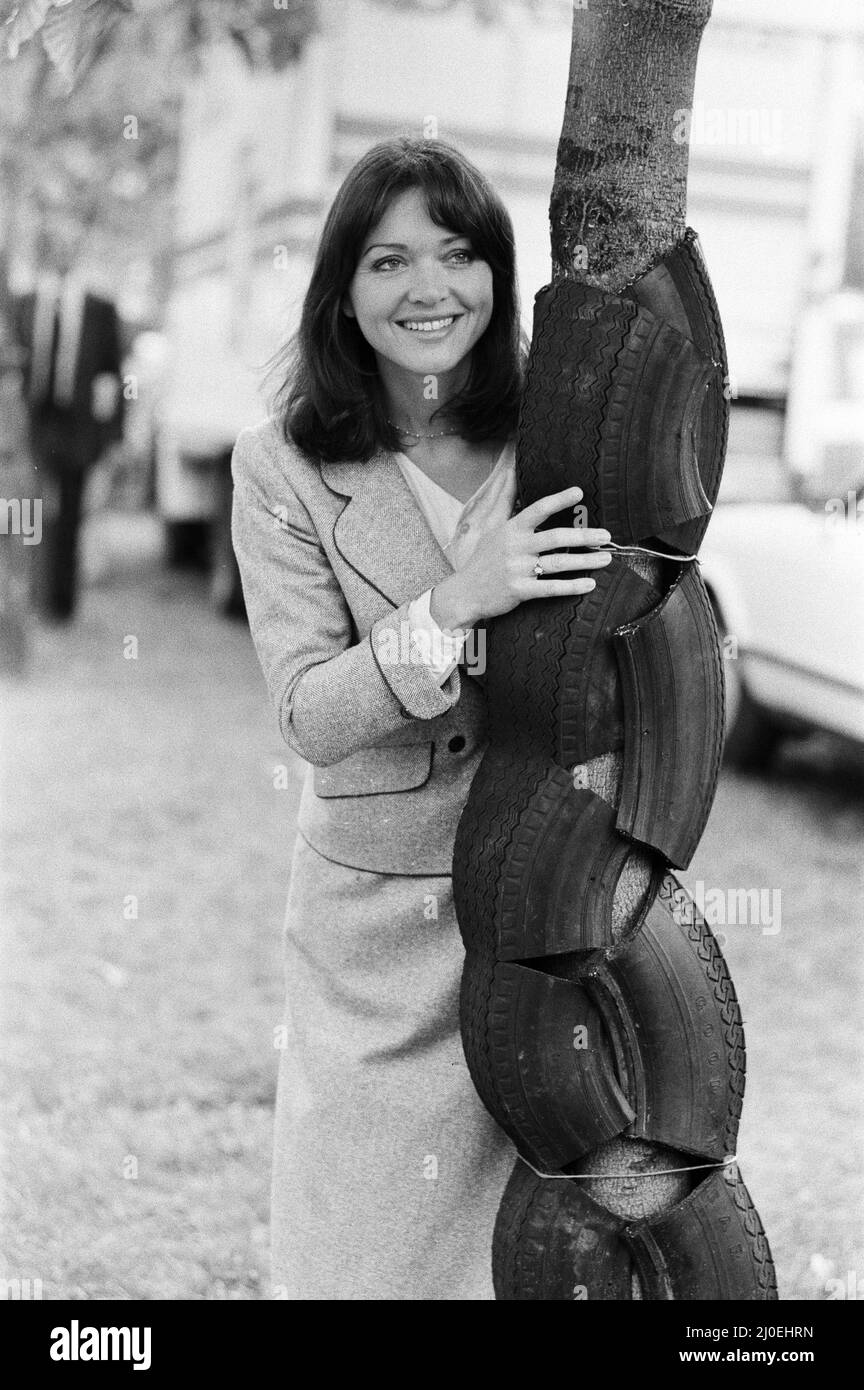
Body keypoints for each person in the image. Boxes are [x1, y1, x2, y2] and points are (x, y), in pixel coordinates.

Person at [230, 137, 613, 1301]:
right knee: (362, 1241)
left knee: (516, 1243)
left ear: (498, 275)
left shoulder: (553, 427)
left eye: (458, 255)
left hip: (539, 888)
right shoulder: (282, 467)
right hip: (375, 917)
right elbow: (309, 711)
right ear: (344, 292)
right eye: (389, 262)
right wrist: (453, 602)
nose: (429, 289)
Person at [13, 221, 124, 620]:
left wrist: (111, 438)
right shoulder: (22, 303)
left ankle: (61, 602)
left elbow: (112, 375)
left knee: (71, 513)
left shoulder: (99, 308)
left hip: (78, 428)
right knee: (31, 508)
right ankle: (31, 594)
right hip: (37, 423)